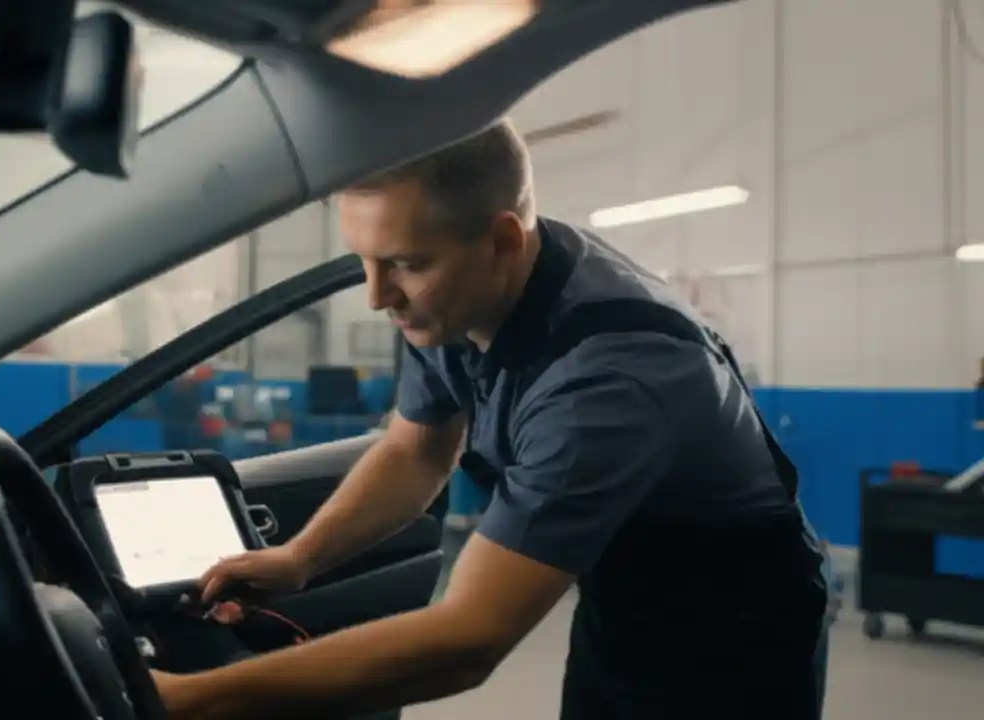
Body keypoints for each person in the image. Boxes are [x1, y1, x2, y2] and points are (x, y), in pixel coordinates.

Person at [150, 119, 830, 719]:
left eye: (405, 265)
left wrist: (195, 700)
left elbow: (469, 640)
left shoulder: (608, 382)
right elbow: (417, 449)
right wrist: (299, 558)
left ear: (503, 240)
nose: (377, 295)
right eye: (364, 261)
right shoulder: (461, 297)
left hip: (738, 624)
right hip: (623, 591)